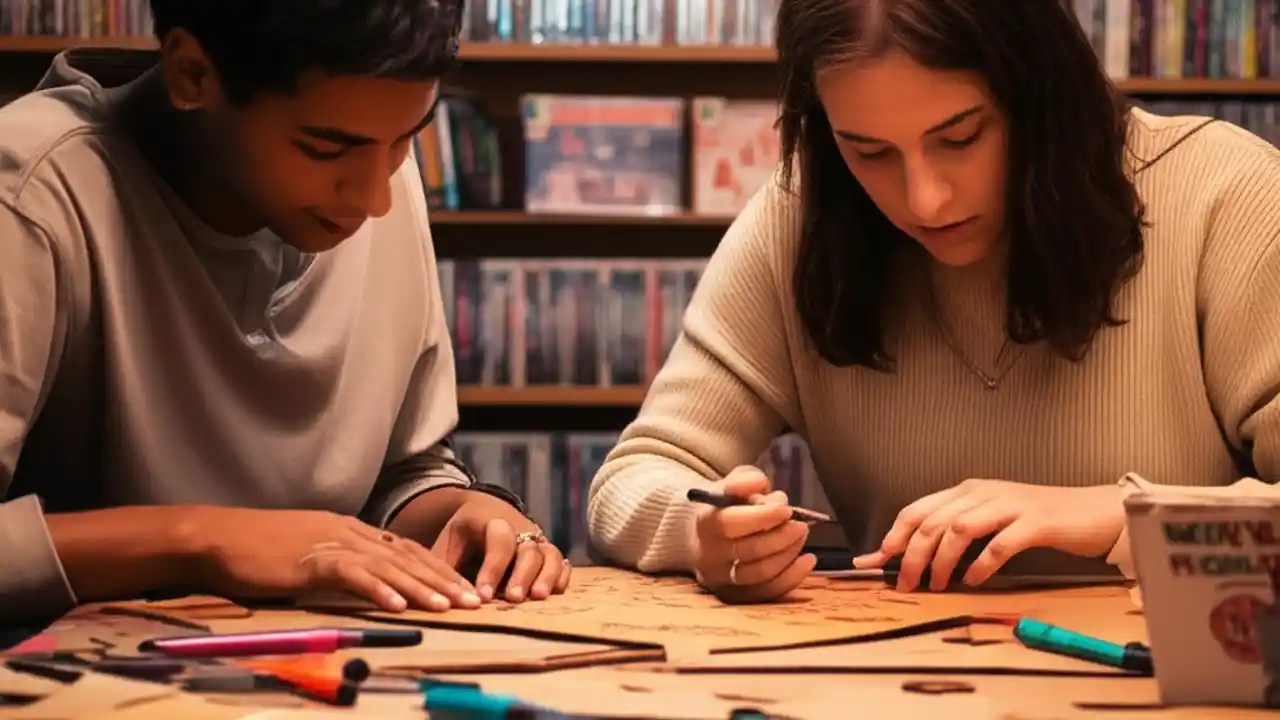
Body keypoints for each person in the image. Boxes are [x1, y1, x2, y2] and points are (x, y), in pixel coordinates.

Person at [587, 0, 1279, 604]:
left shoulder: (1225, 197)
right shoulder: (801, 221)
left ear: (1039, 92)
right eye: (870, 152)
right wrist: (704, 532)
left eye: (960, 137)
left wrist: (1118, 515)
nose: (924, 199)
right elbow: (630, 480)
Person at [0, 0, 572, 624]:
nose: (375, 198)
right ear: (193, 74)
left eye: (406, 140)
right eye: (325, 148)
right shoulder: (30, 192)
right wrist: (199, 541)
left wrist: (460, 510)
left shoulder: (373, 171)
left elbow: (401, 469)